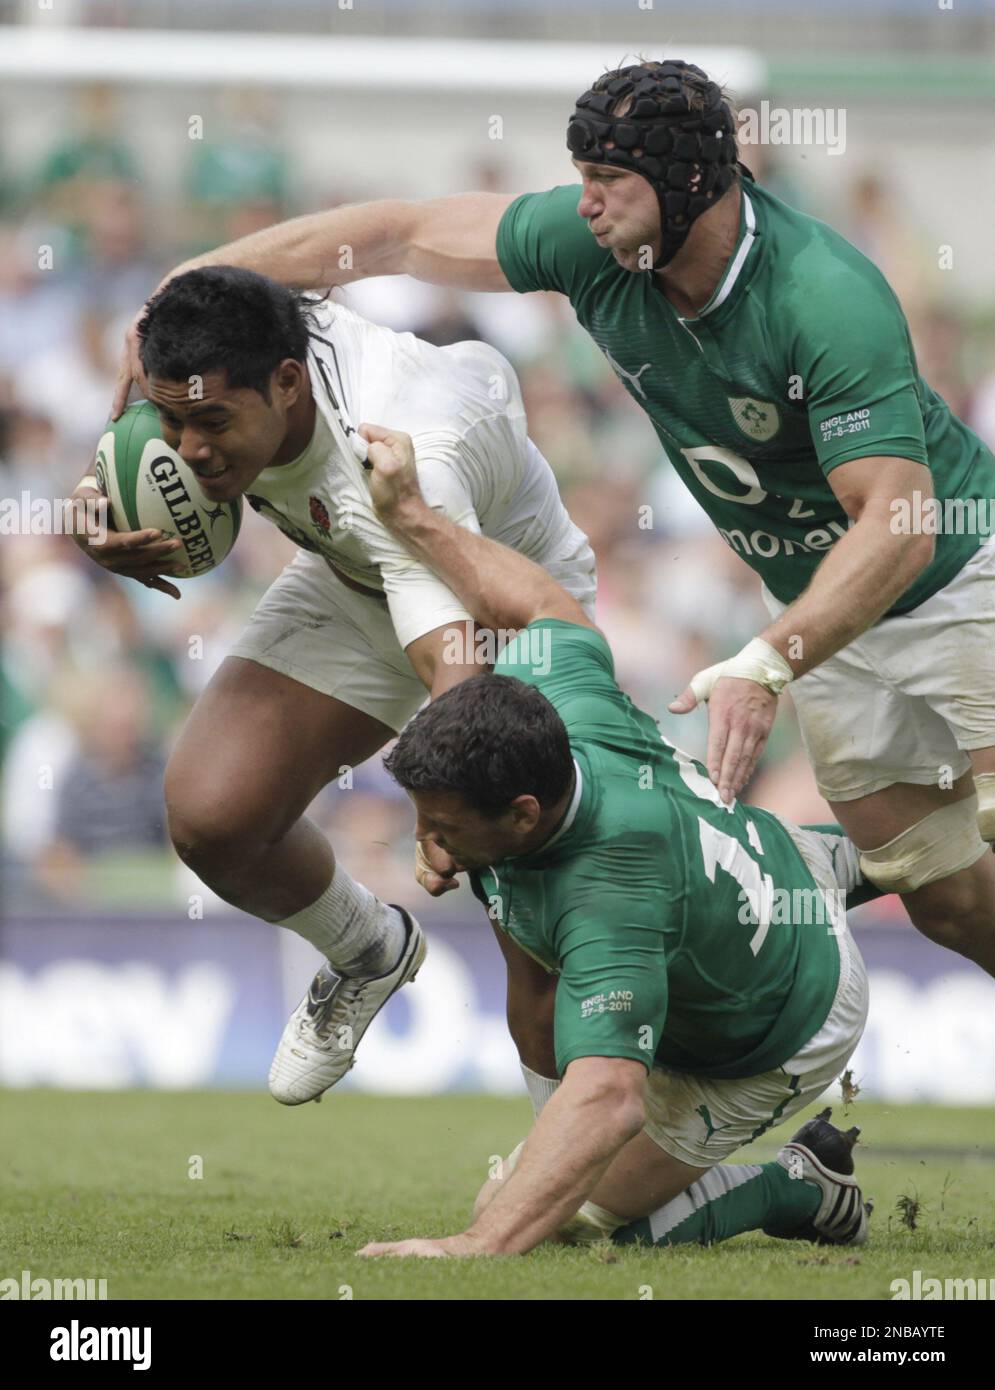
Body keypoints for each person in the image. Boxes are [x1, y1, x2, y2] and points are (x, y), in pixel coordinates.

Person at [112, 58, 995, 981]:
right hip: (832, 617)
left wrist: (771, 657)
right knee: (943, 897)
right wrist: (182, 290)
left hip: (955, 582)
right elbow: (395, 236)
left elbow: (900, 524)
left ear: (692, 185)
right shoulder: (592, 246)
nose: (586, 205)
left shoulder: (823, 296)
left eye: (609, 181)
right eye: (582, 178)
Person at [349, 422, 875, 1259]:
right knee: (535, 1184)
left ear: (523, 815)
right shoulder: (559, 697)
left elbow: (607, 1096)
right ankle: (851, 859)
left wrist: (473, 1247)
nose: (428, 843)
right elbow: (545, 606)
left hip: (777, 1022)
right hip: (753, 864)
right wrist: (412, 513)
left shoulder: (606, 901)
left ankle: (801, 1184)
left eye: (444, 824)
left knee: (575, 1218)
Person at [71, 265, 596, 1103]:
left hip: (503, 599)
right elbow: (145, 341)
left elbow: (454, 663)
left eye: (210, 422)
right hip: (350, 575)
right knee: (213, 817)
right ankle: (368, 949)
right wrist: (105, 479)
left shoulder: (394, 453)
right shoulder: (208, 350)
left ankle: (575, 1181)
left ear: (288, 383)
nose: (190, 449)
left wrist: (440, 812)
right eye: (170, 421)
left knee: (526, 923)